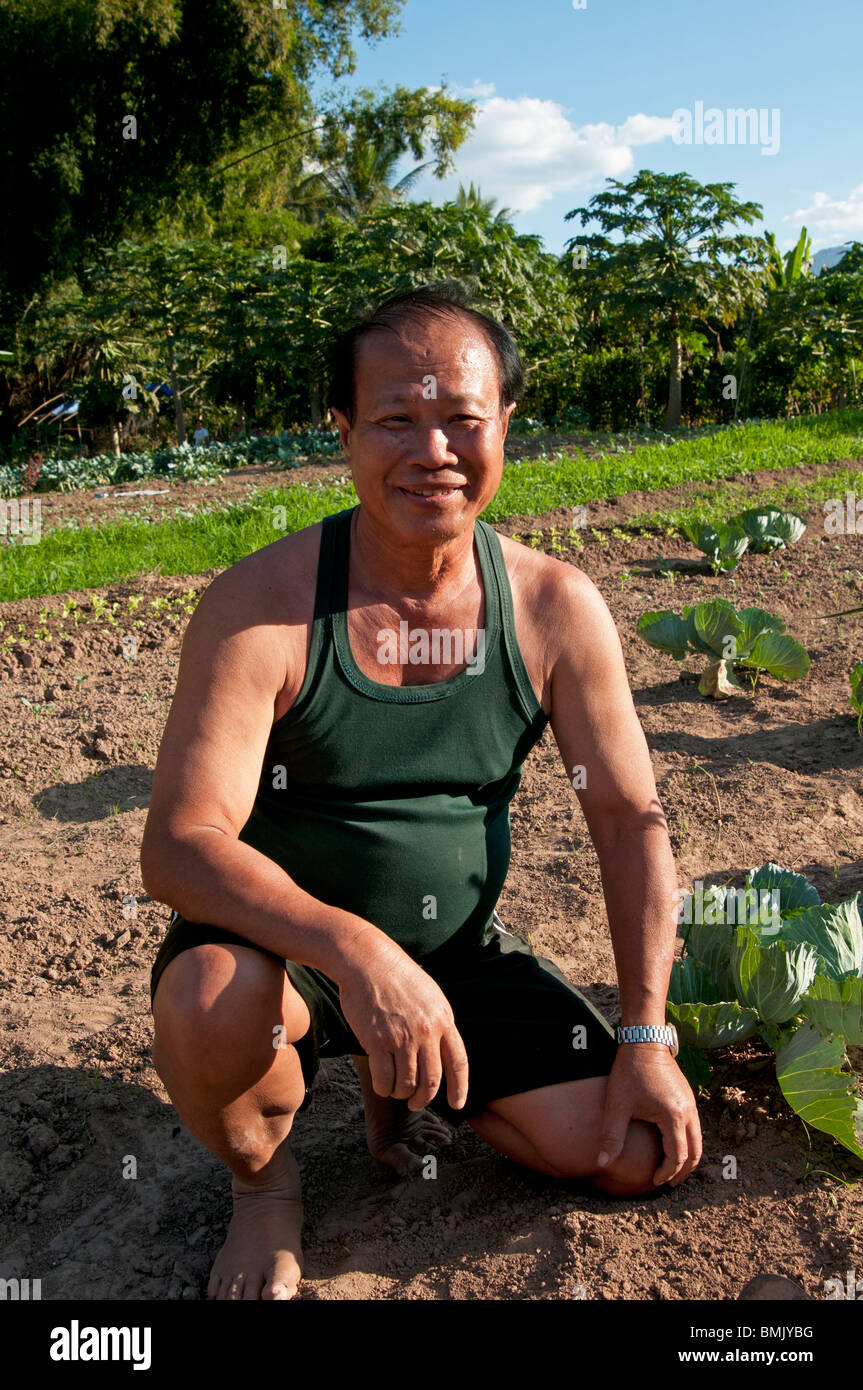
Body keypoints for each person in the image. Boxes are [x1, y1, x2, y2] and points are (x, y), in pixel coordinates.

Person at [141, 284, 701, 1302]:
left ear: (506, 429)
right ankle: (265, 1184)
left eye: (462, 420)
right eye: (396, 419)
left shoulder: (551, 606)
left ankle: (402, 1088)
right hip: (283, 961)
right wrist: (355, 949)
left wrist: (646, 1034)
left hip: (453, 958)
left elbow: (627, 822)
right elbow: (180, 844)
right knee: (208, 1001)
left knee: (626, 1151)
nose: (432, 448)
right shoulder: (259, 604)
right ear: (344, 431)